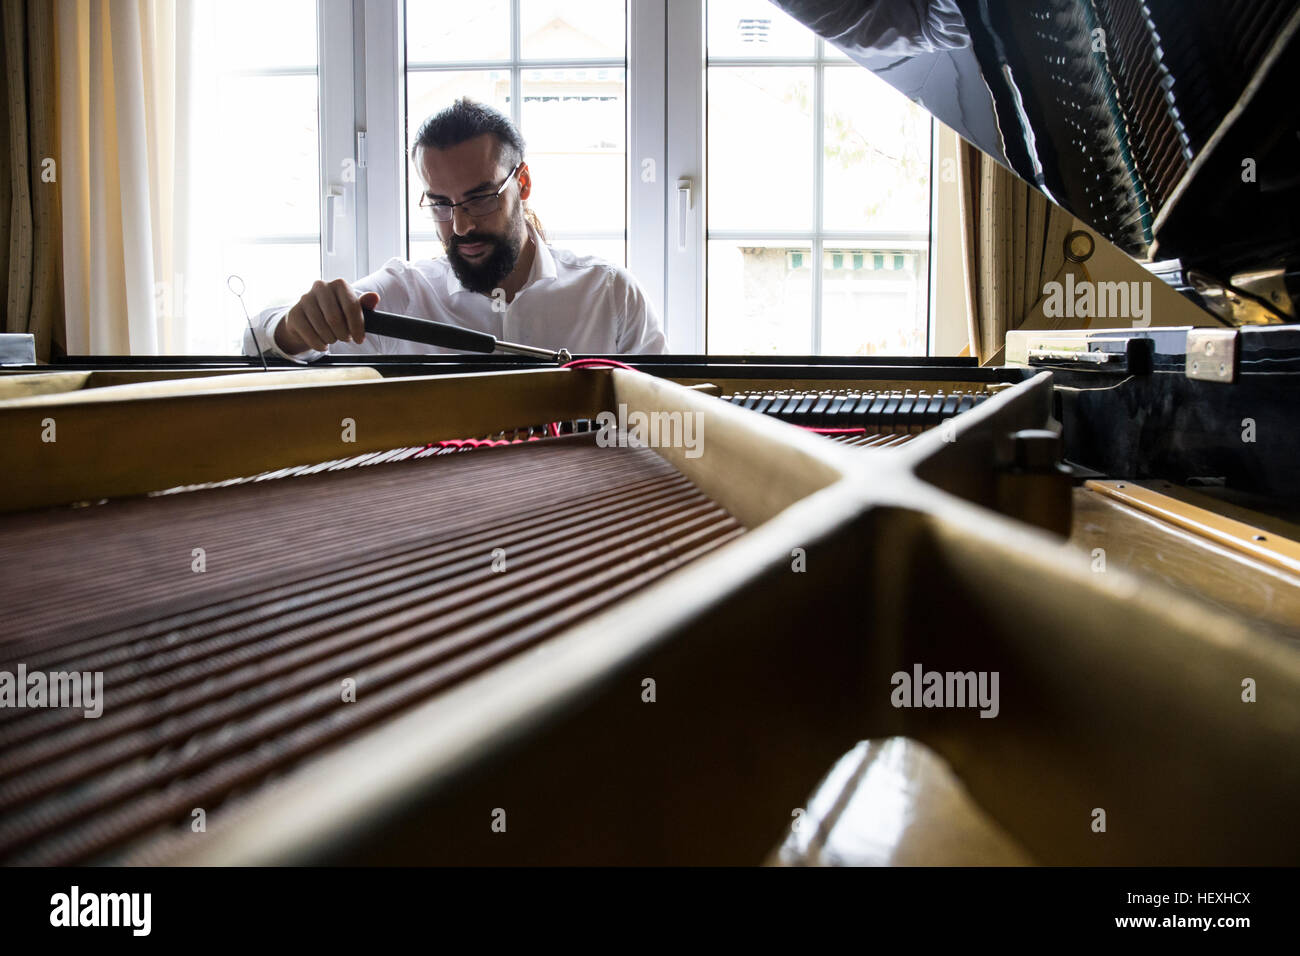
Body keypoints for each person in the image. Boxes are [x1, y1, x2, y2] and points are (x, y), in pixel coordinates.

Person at [244, 98, 667, 361]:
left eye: (481, 197)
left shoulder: (610, 294)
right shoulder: (400, 295)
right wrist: (296, 327)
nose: (461, 225)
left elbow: (663, 420)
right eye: (442, 204)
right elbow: (256, 343)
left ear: (522, 184)